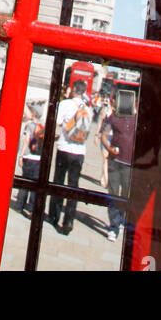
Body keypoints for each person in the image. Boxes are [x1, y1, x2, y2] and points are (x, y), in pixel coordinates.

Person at [47, 79, 93, 234]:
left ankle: (54, 216)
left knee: (59, 181)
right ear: (84, 91)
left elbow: (58, 122)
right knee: (73, 186)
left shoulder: (65, 104)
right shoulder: (88, 108)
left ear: (73, 89)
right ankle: (69, 221)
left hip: (64, 148)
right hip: (79, 152)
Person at [101, 95, 136, 241]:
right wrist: (109, 148)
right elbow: (104, 135)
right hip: (115, 161)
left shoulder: (137, 119)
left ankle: (120, 219)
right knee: (114, 193)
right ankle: (114, 227)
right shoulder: (113, 117)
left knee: (126, 195)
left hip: (130, 165)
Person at [17, 100, 45, 215]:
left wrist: (21, 155)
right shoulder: (42, 126)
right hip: (38, 158)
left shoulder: (29, 125)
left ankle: (20, 204)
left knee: (24, 181)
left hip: (28, 156)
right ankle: (31, 207)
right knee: (35, 183)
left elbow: (26, 140)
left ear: (33, 114)